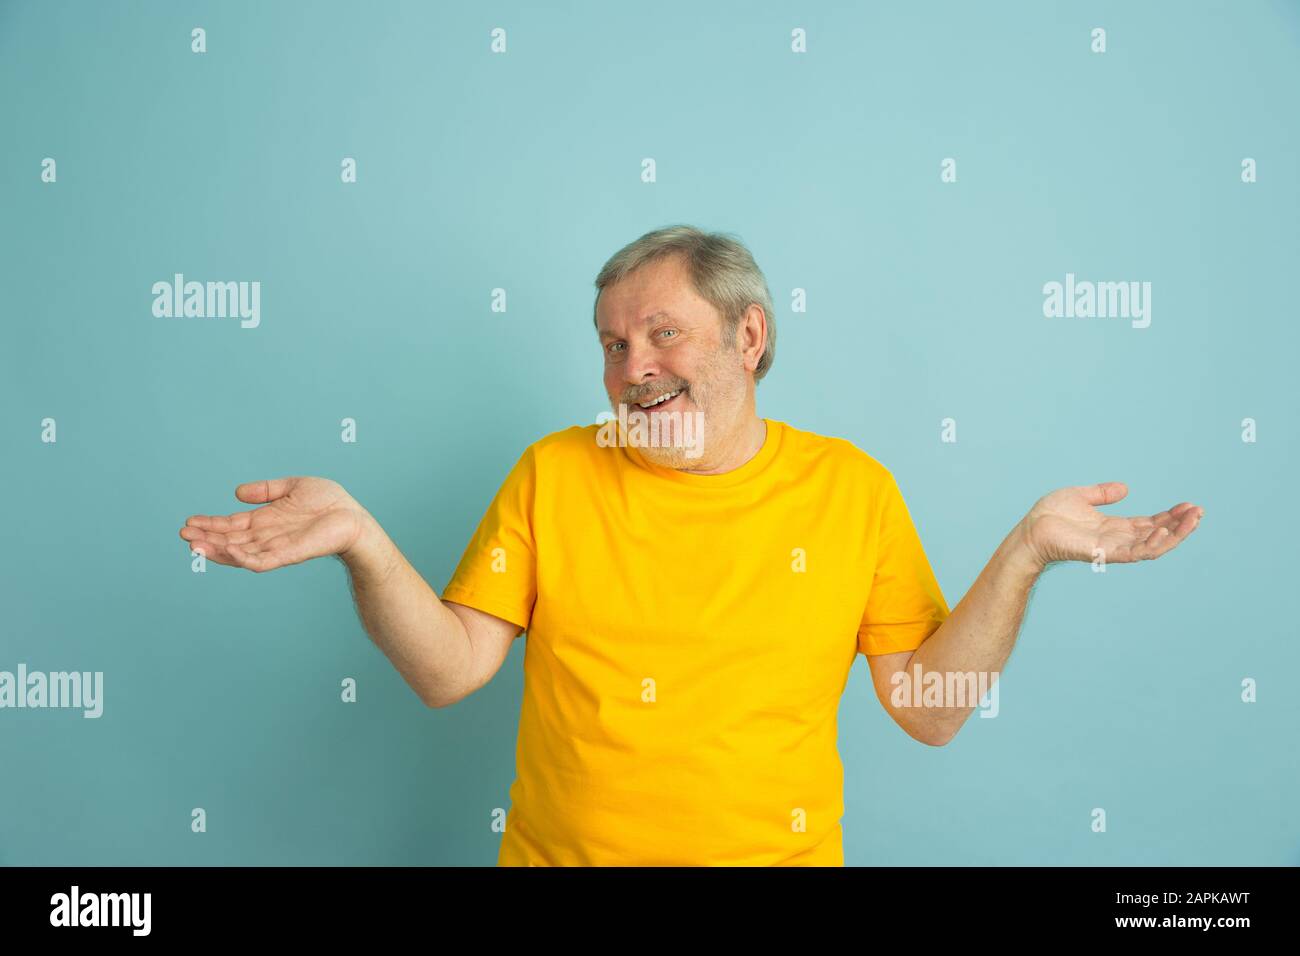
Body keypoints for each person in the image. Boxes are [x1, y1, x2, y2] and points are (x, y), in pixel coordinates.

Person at [177, 224, 1204, 866]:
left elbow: (925, 713)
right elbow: (451, 669)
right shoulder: (554, 471)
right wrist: (361, 538)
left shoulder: (850, 488)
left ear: (747, 338)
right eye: (613, 343)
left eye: (663, 333)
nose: (633, 366)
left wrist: (1025, 551)